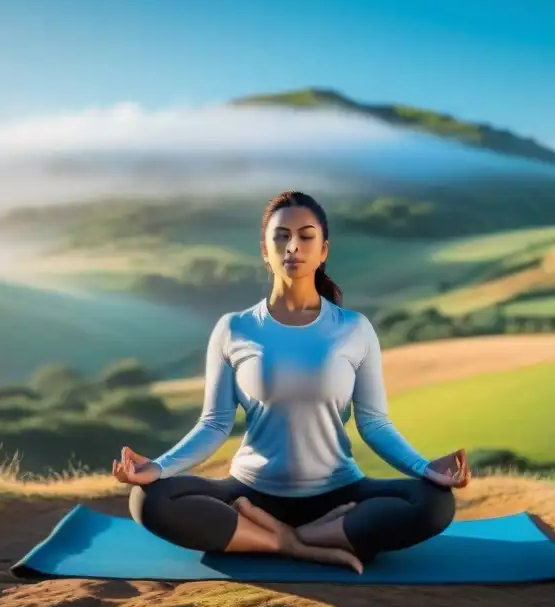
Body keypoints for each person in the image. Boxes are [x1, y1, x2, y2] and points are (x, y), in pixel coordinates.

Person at [113, 190, 469, 574]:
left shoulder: (354, 329)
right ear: (265, 250)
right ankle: (290, 542)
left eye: (306, 235)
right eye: (281, 236)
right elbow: (214, 424)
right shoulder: (234, 328)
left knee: (436, 503)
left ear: (323, 250)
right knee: (148, 499)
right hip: (250, 492)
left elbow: (375, 424)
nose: (293, 246)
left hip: (337, 495)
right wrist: (159, 468)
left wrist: (424, 468)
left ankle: (273, 536)